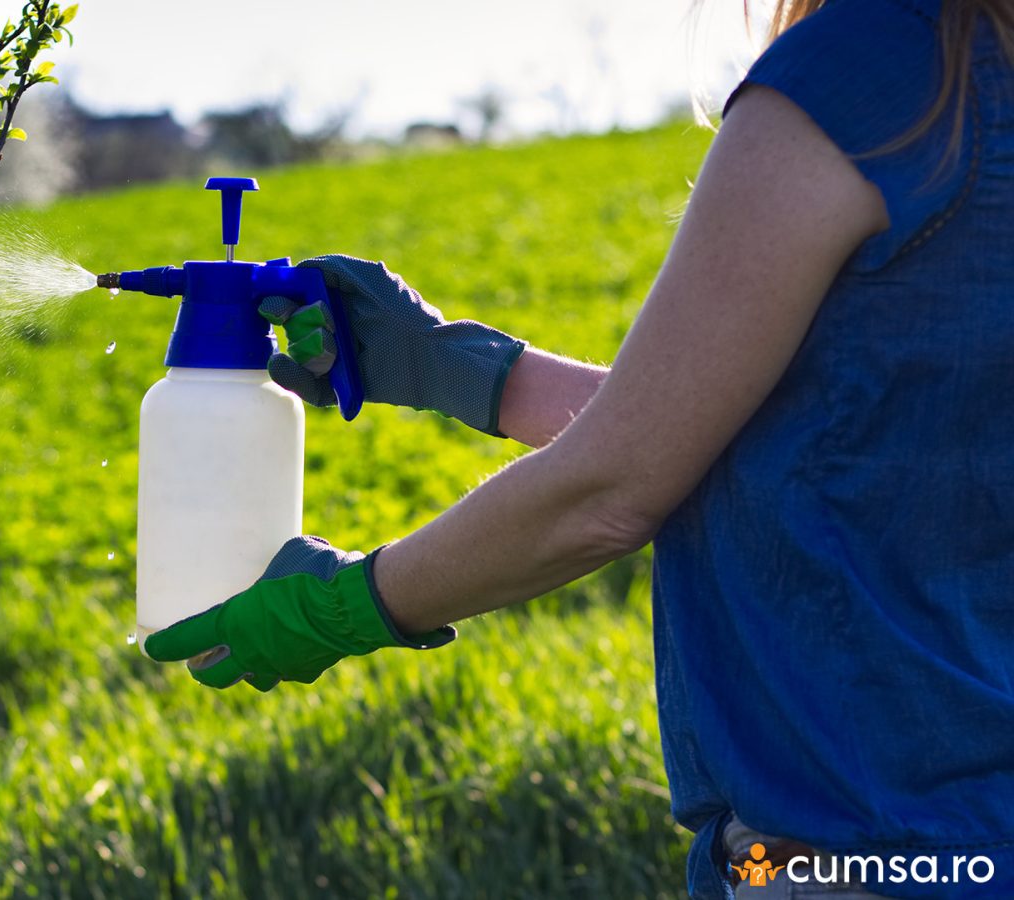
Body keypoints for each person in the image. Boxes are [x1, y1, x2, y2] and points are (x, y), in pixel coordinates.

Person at [141, 1, 1014, 897]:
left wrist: (345, 604)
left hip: (858, 852)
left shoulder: (867, 73)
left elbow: (614, 489)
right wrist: (463, 369)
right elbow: (772, 441)